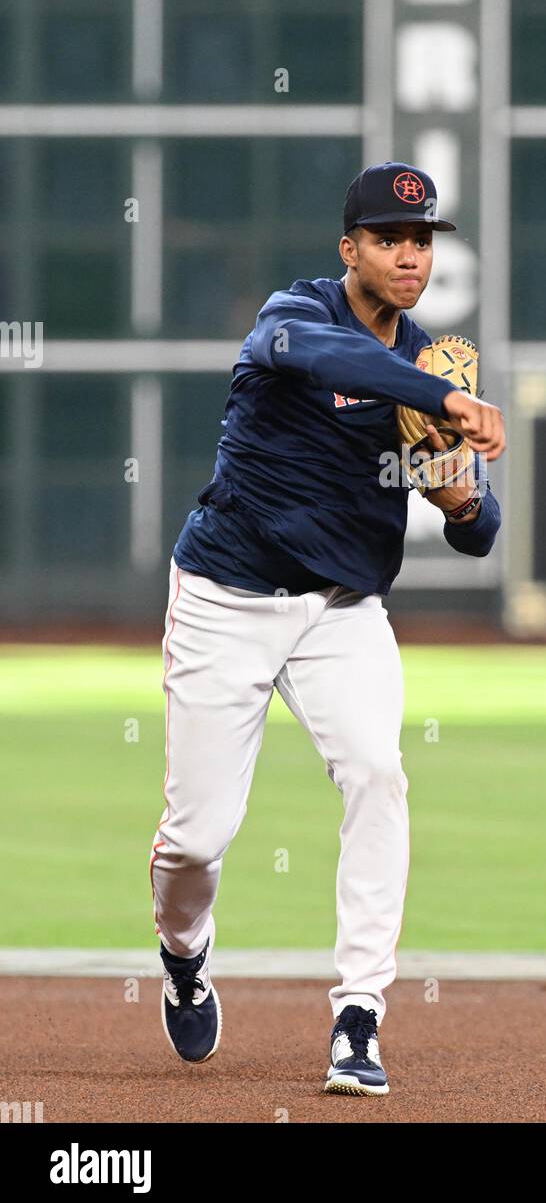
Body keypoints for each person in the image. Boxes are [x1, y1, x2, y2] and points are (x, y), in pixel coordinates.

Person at [148, 161, 506, 1095]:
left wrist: (460, 493)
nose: (409, 255)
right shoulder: (294, 318)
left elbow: (480, 534)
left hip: (342, 615)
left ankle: (359, 1019)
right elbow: (329, 362)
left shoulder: (426, 368)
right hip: (226, 598)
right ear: (349, 250)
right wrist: (442, 402)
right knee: (196, 840)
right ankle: (184, 954)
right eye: (389, 238)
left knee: (379, 775)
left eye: (422, 240)